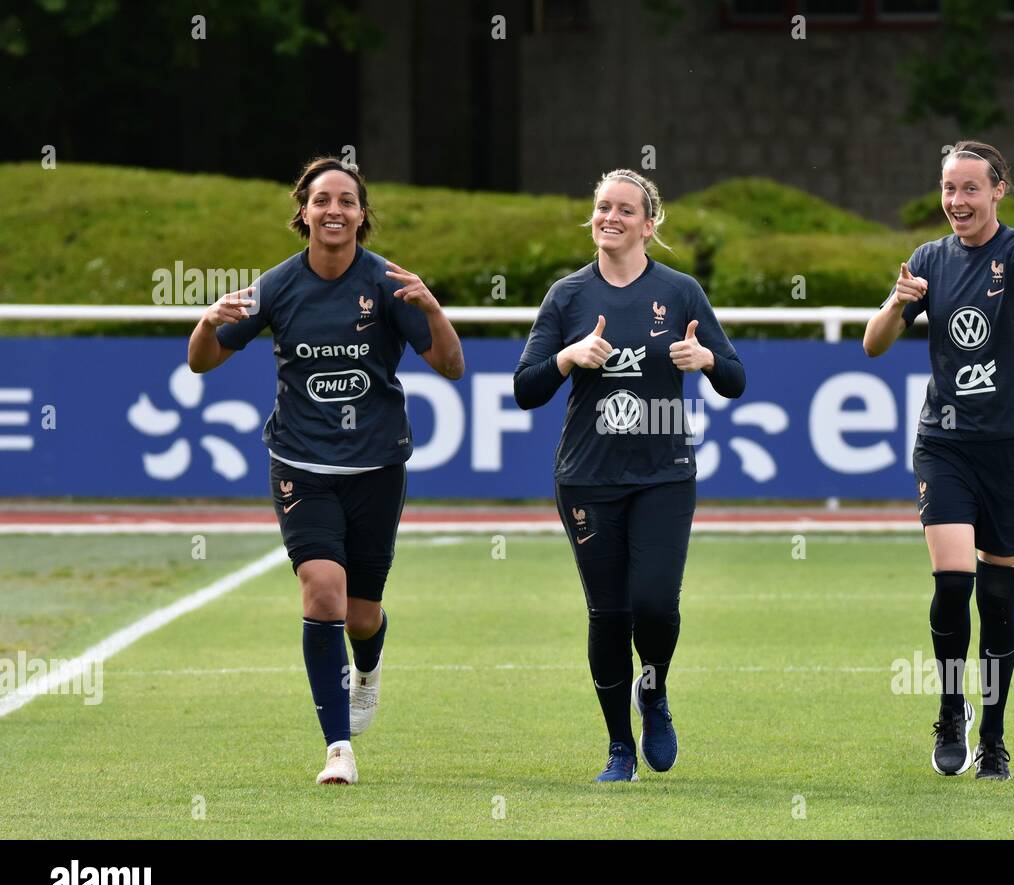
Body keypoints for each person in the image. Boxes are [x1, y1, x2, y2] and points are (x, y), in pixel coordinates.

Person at [187, 156, 464, 785]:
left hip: (376, 466)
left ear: (362, 215)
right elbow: (202, 363)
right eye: (322, 200)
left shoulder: (391, 285)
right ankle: (338, 748)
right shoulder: (277, 287)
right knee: (322, 591)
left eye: (346, 200)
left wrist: (436, 310)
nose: (333, 210)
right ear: (303, 212)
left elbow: (452, 367)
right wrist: (206, 321)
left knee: (362, 614)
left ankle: (367, 666)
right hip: (300, 464)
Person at [513, 168, 745, 782]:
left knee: (654, 605)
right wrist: (567, 357)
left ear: (649, 224)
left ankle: (656, 690)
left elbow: (736, 377)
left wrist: (707, 359)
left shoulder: (682, 290)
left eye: (624, 210)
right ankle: (619, 747)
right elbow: (524, 389)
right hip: (587, 477)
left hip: (663, 472)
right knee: (609, 613)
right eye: (601, 207)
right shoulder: (566, 297)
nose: (609, 217)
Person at [863, 141, 1014, 781]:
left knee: (999, 598)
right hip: (945, 443)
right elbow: (874, 346)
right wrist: (898, 302)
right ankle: (951, 711)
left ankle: (994, 736)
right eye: (949, 189)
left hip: (1013, 448)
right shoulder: (927, 260)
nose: (957, 201)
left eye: (970, 188)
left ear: (999, 190)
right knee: (954, 583)